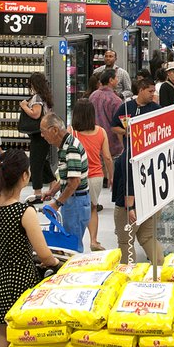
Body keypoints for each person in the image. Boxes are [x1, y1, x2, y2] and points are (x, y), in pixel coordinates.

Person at [0, 150, 62, 347]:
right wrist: (59, 263)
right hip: (19, 285)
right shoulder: (24, 212)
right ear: (24, 176)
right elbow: (44, 255)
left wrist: (2, 254)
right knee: (26, 346)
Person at [111, 78, 162, 264]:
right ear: (140, 90)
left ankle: (126, 277)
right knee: (148, 237)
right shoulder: (125, 108)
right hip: (150, 186)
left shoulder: (156, 110)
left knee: (126, 240)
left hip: (142, 184)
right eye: (150, 91)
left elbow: (128, 182)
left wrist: (130, 204)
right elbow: (114, 125)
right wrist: (127, 132)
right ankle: (160, 270)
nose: (153, 94)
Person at [40, 113, 91, 252]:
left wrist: (57, 204)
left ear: (54, 130)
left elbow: (74, 182)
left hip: (76, 203)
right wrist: (52, 192)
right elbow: (66, 177)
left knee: (73, 248)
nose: (42, 136)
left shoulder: (71, 148)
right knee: (69, 244)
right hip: (73, 201)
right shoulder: (65, 146)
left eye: (43, 132)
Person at [70, 99, 113, 252]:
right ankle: (93, 240)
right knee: (93, 208)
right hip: (96, 176)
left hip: (77, 175)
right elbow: (107, 157)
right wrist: (111, 177)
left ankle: (76, 242)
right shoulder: (101, 131)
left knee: (76, 209)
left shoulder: (72, 132)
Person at [20, 72, 55, 197]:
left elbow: (35, 114)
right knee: (42, 160)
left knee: (35, 163)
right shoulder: (46, 97)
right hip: (45, 133)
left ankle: (37, 192)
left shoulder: (37, 98)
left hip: (38, 134)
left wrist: (24, 106)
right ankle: (53, 183)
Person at [89, 69, 125, 158]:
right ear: (111, 80)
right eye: (116, 78)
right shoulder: (116, 100)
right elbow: (120, 126)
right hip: (112, 146)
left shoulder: (93, 96)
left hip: (94, 144)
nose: (118, 80)